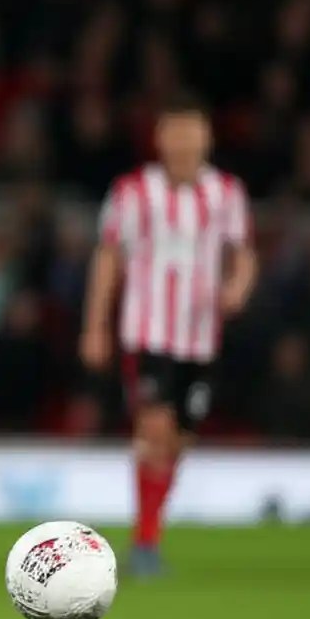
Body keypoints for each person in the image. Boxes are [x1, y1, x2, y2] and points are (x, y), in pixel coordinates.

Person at [80, 92, 257, 576]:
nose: (183, 142)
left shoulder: (226, 193)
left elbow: (242, 253)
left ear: (207, 137)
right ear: (160, 138)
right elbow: (109, 256)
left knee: (179, 437)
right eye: (174, 132)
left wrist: (238, 287)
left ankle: (150, 532)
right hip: (148, 331)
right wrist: (95, 325)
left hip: (200, 336)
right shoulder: (133, 191)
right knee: (153, 428)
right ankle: (145, 543)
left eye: (192, 132)